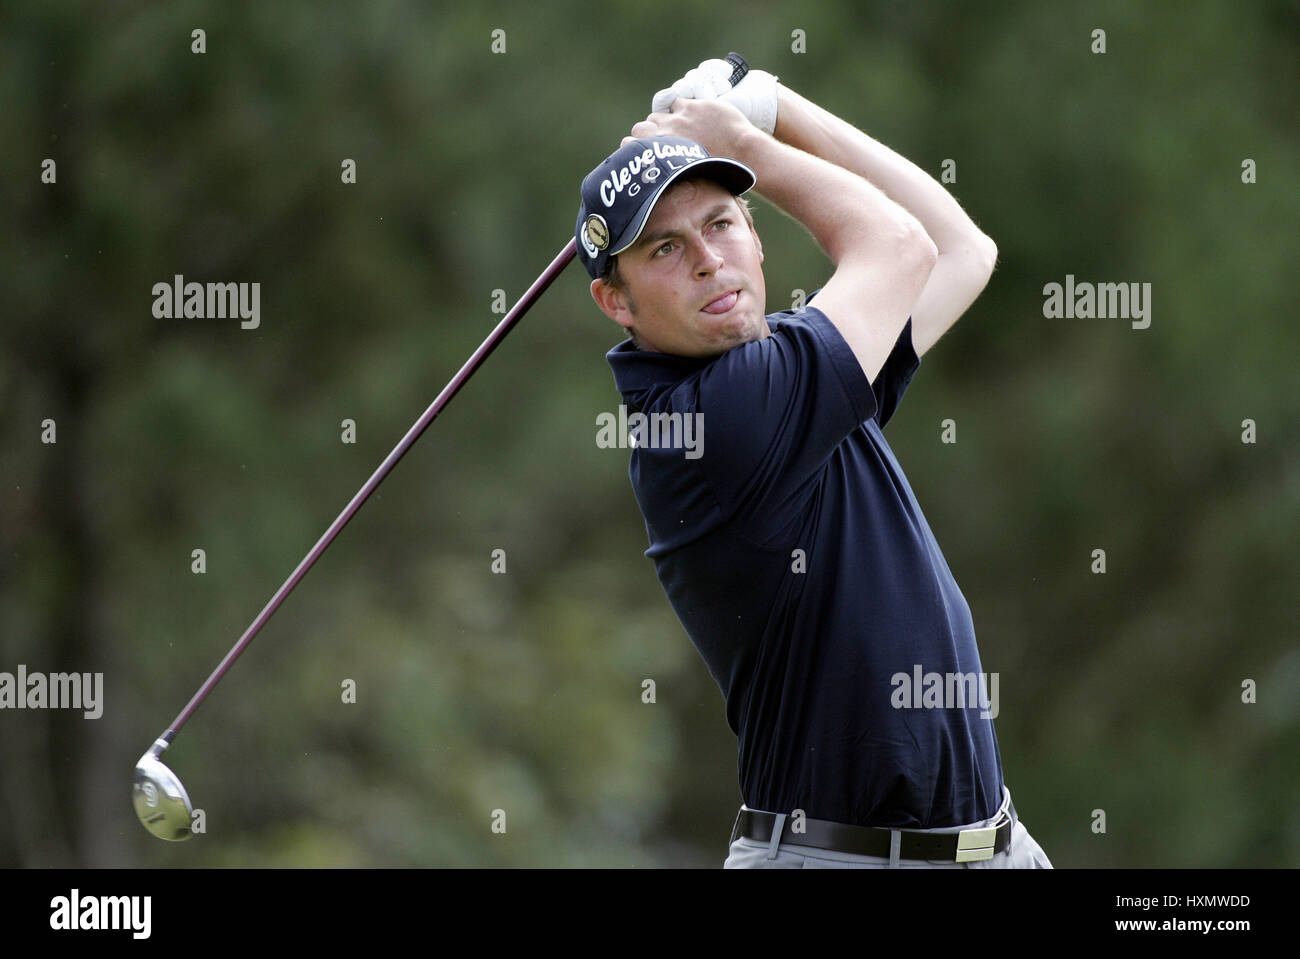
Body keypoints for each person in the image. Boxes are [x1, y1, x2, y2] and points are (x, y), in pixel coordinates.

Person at [576, 57, 1051, 868]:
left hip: (993, 847)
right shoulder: (718, 420)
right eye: (663, 247)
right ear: (616, 302)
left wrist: (772, 102)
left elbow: (958, 250)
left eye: (722, 223)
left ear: (756, 236)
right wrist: (745, 142)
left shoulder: (797, 374)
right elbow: (898, 246)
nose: (706, 260)